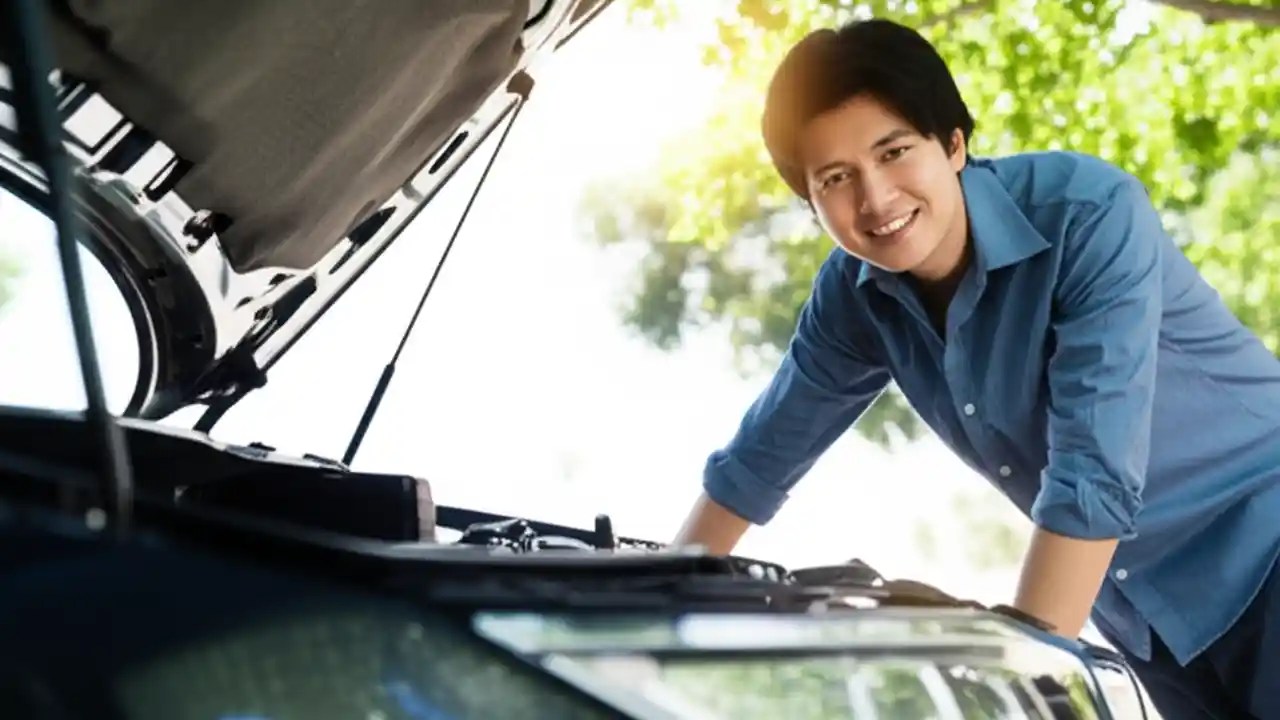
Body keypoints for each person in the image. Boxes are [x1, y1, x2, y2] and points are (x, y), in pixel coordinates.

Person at [670, 18, 1280, 719]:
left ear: (954, 143)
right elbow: (756, 463)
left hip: (1263, 547)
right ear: (810, 203)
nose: (875, 199)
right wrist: (648, 607)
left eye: (894, 151)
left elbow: (1093, 475)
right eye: (836, 179)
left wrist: (1015, 687)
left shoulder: (1087, 214)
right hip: (1151, 621)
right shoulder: (852, 297)